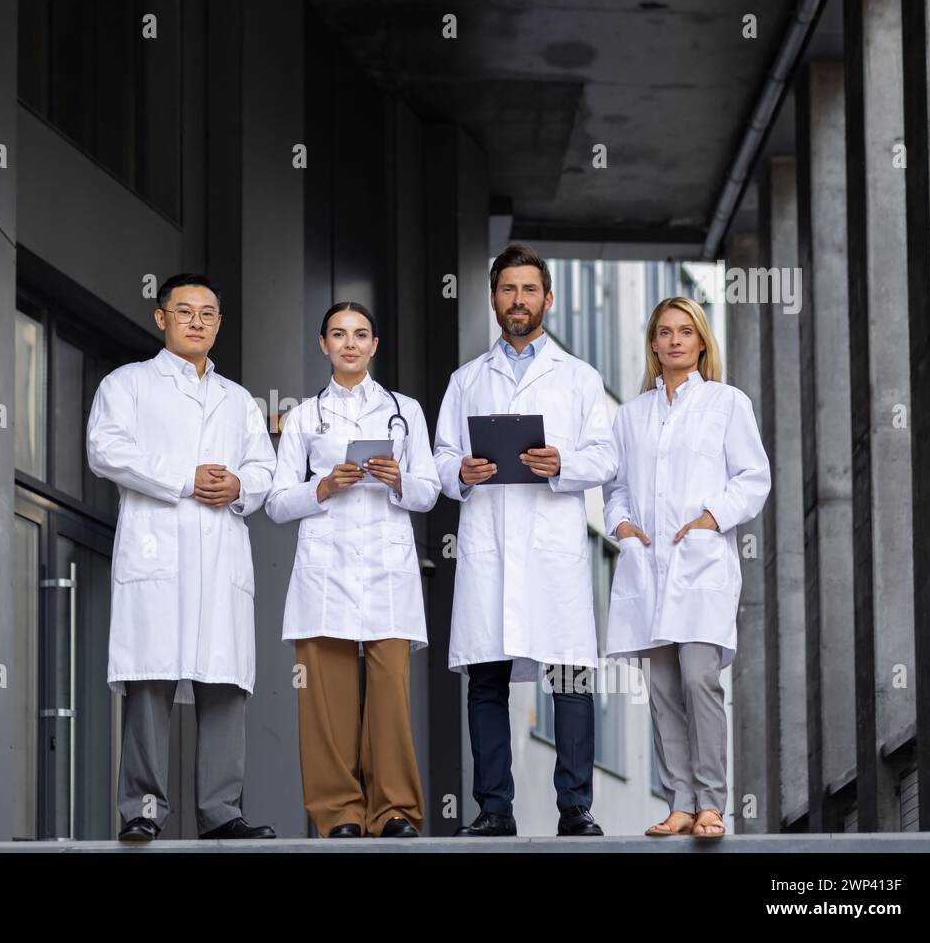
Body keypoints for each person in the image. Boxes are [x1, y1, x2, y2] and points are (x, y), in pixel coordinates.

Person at [86, 273, 278, 842]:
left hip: (220, 553)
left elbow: (266, 470)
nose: (198, 321)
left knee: (223, 684)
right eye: (185, 311)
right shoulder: (128, 384)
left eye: (209, 313)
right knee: (150, 680)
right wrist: (183, 479)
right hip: (158, 549)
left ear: (218, 323)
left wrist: (238, 487)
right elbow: (106, 449)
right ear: (160, 317)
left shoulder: (238, 399)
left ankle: (221, 814)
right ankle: (142, 809)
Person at [433, 243, 617, 837]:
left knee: (569, 678)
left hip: (551, 548)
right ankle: (494, 810)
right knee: (486, 680)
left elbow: (606, 457)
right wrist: (459, 472)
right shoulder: (465, 380)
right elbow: (435, 458)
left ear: (548, 298)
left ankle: (576, 809)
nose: (519, 300)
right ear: (492, 299)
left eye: (529, 290)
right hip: (489, 542)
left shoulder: (580, 378)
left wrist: (561, 463)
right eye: (508, 290)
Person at [266, 302, 440, 838]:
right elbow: (275, 502)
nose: (350, 343)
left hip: (387, 572)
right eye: (338, 334)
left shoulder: (404, 410)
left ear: (374, 344)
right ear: (323, 344)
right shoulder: (303, 416)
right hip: (325, 571)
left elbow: (430, 491)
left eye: (361, 334)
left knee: (389, 699)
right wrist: (324, 486)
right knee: (325, 704)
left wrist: (395, 480)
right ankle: (339, 814)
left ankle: (394, 813)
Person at [603, 296, 771, 839]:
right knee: (660, 687)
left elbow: (753, 477)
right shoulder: (629, 416)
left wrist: (709, 518)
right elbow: (616, 486)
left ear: (701, 342)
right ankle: (680, 800)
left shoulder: (727, 403)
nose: (675, 340)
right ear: (653, 342)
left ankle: (711, 804)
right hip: (647, 566)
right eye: (665, 331)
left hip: (700, 566)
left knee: (699, 679)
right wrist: (622, 525)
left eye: (686, 331)